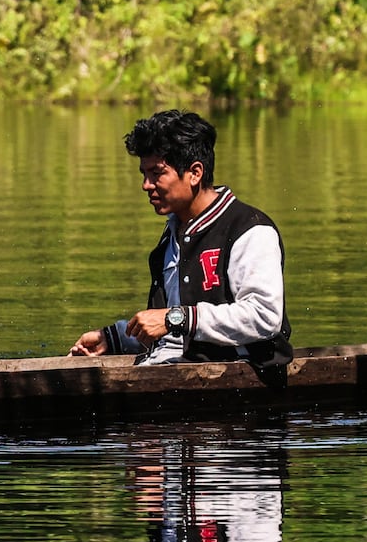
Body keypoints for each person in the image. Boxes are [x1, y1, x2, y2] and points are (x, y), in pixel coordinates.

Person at [69, 109, 291, 378]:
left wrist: (176, 317)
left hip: (226, 381)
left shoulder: (250, 230)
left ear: (195, 173)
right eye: (144, 174)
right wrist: (113, 339)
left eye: (156, 173)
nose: (146, 185)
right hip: (168, 370)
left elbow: (264, 317)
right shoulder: (172, 234)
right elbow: (171, 333)